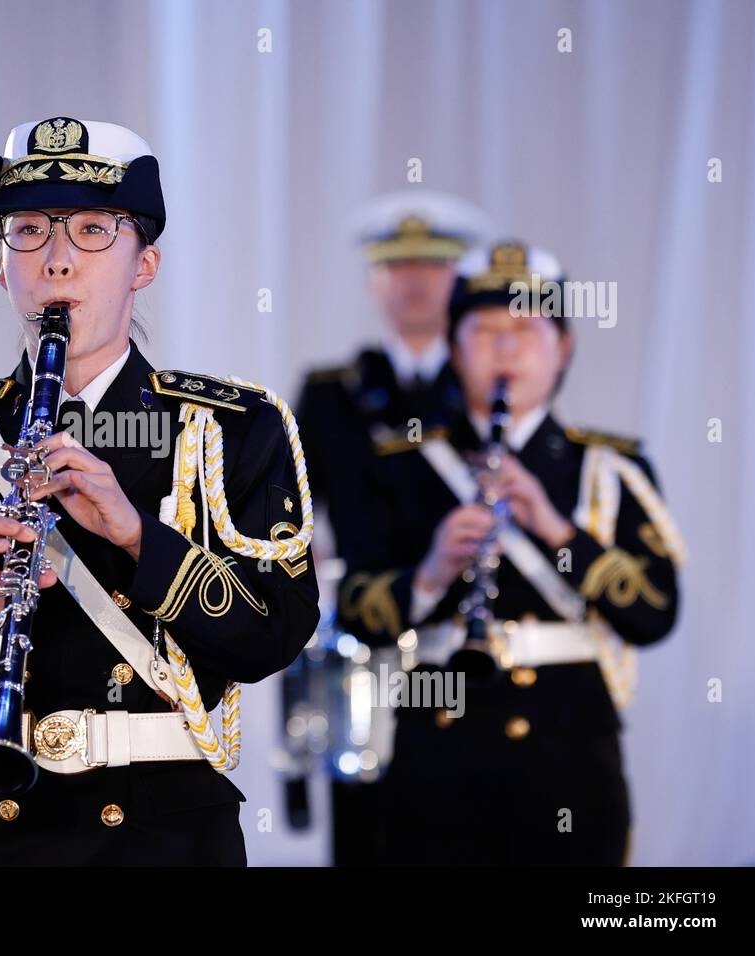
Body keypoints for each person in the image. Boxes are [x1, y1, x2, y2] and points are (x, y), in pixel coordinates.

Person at [0, 116, 320, 866]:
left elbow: (275, 634)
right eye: (27, 230)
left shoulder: (231, 427)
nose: (57, 261)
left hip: (159, 827)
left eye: (93, 230)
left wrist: (137, 537)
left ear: (144, 263)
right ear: (1, 264)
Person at [336, 241, 685, 865]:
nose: (506, 349)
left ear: (564, 347)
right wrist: (433, 571)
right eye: (485, 331)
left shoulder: (610, 469)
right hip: (435, 760)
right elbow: (354, 610)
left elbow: (654, 613)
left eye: (526, 329)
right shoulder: (399, 466)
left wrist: (556, 531)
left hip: (568, 756)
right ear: (453, 345)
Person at [286, 192, 488, 864]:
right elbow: (293, 514)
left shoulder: (490, 392)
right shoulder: (330, 393)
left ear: (458, 279)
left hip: (465, 647)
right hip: (366, 646)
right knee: (369, 834)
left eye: (432, 265)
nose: (415, 281)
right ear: (375, 282)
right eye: (397, 266)